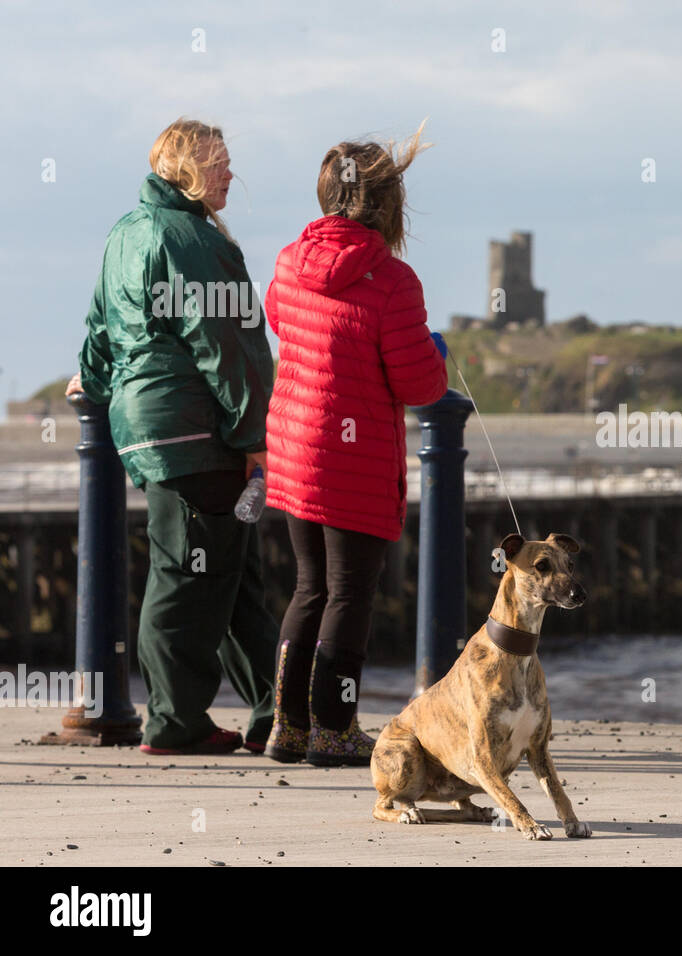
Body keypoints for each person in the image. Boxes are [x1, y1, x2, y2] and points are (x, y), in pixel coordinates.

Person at [71, 118, 280, 755]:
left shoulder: (126, 232)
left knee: (229, 573)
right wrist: (253, 435)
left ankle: (282, 711)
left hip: (148, 429)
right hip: (194, 431)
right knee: (187, 575)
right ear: (185, 168)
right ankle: (174, 723)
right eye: (217, 162)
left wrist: (93, 381)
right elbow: (229, 346)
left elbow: (101, 327)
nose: (229, 174)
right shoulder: (190, 238)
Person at [261, 123, 448, 766]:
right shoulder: (394, 282)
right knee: (350, 596)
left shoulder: (289, 261)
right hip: (355, 459)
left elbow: (282, 321)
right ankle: (334, 728)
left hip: (294, 447)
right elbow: (420, 384)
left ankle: (287, 727)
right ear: (387, 206)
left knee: (309, 588)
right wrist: (436, 355)